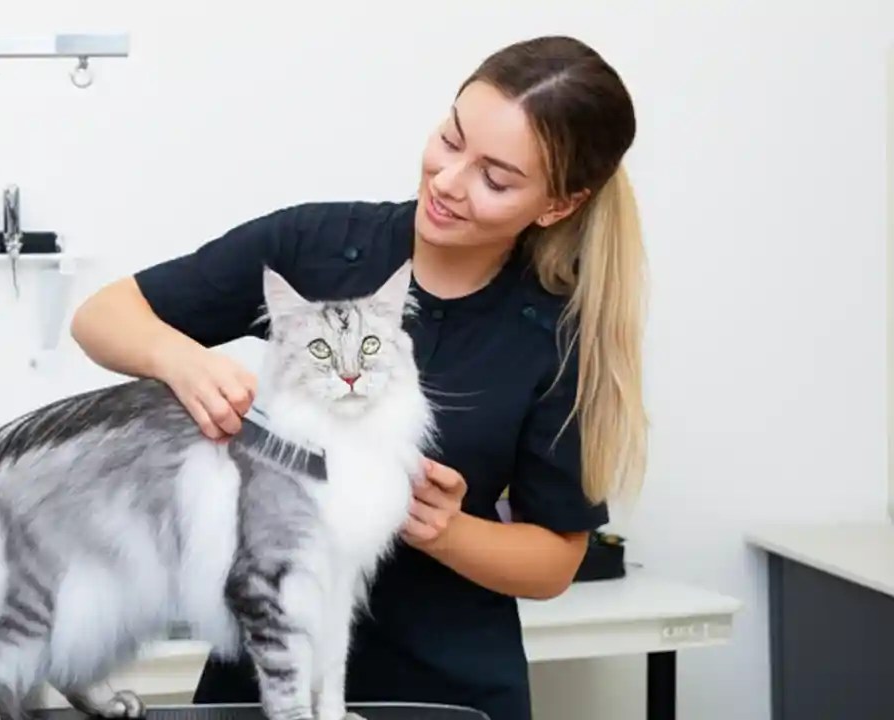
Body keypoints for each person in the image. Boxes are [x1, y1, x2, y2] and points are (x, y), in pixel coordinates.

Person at [69, 34, 648, 720]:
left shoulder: (555, 331)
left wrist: (444, 529)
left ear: (557, 205)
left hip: (444, 692)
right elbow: (102, 316)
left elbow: (555, 561)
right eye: (450, 138)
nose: (448, 181)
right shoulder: (313, 247)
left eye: (495, 179)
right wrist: (182, 361)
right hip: (269, 678)